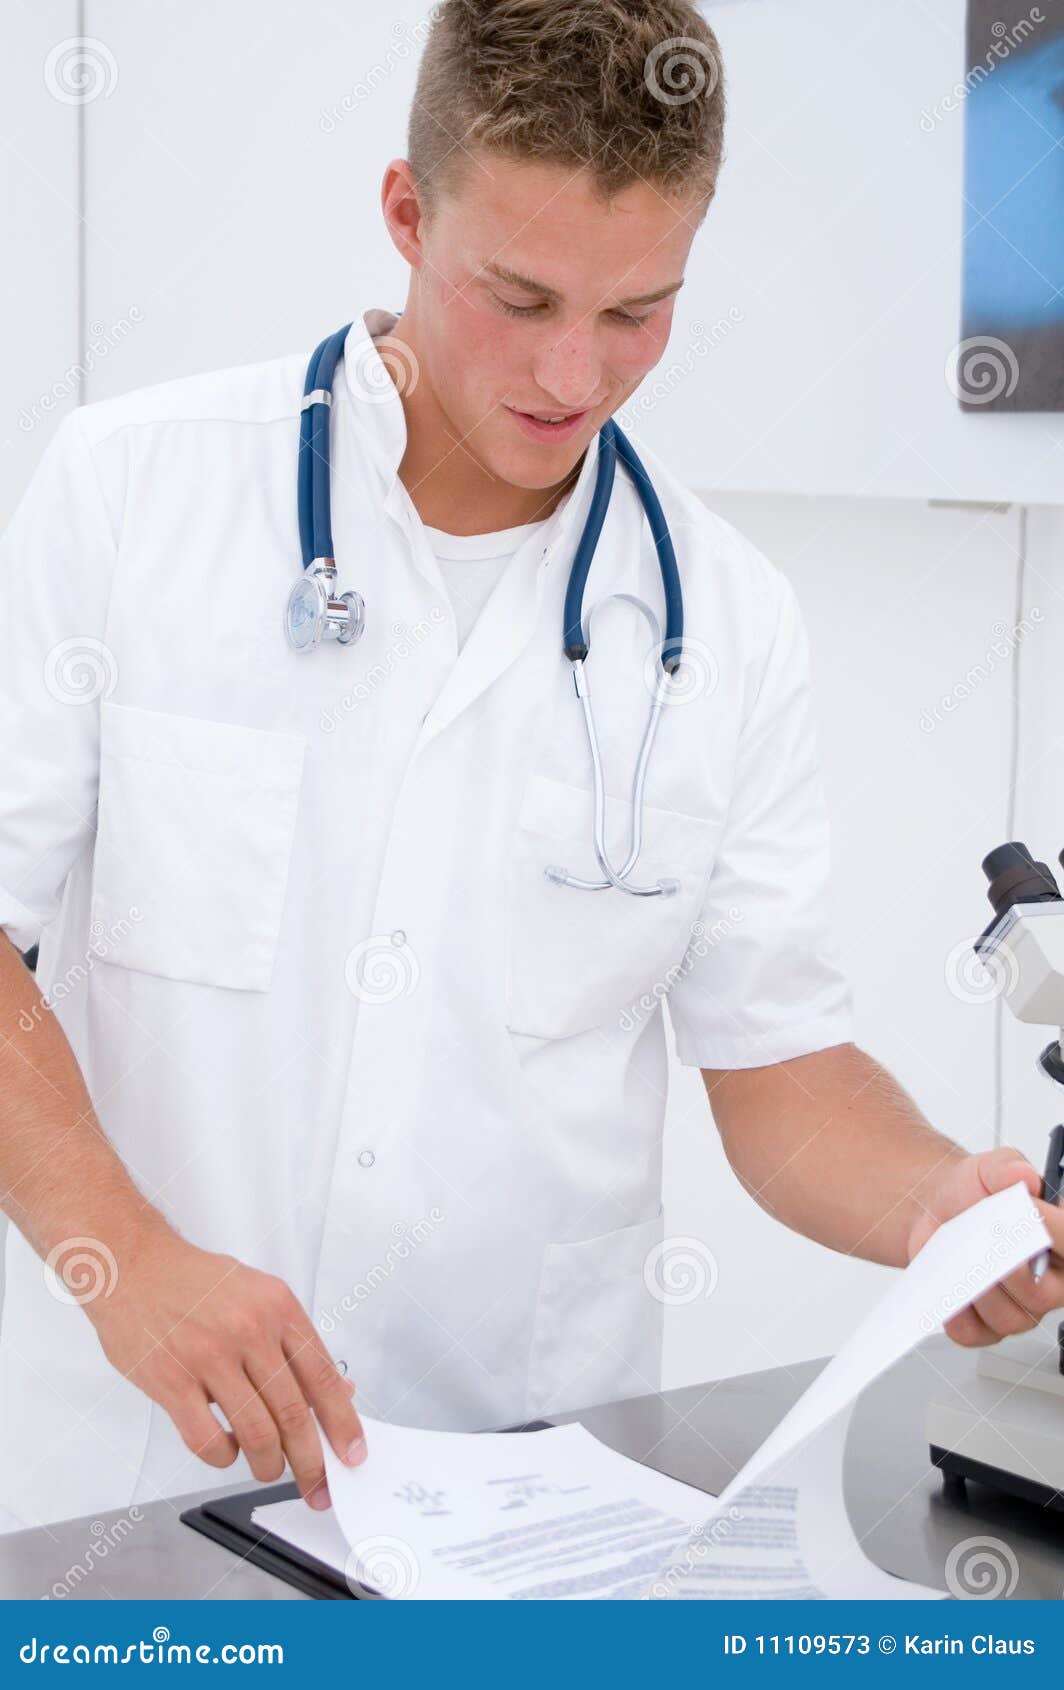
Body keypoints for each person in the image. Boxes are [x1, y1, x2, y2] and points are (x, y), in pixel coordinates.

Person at [1, 0, 1060, 1535]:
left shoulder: (729, 617)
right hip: (128, 1482)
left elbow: (777, 1064)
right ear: (406, 213)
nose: (578, 374)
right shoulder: (129, 491)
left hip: (516, 1503)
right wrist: (131, 1257)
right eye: (521, 295)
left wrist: (927, 1206)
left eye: (639, 310)